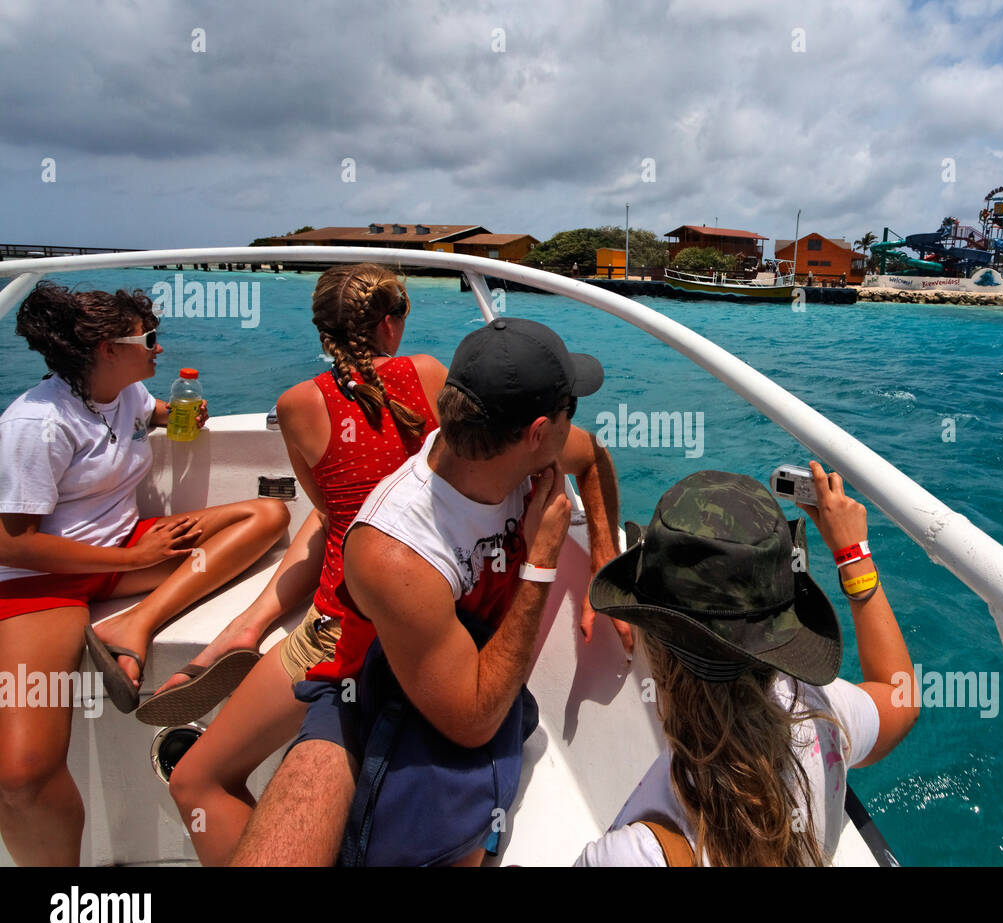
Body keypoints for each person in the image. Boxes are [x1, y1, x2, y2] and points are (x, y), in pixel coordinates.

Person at [230, 316, 629, 866]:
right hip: (356, 685)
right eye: (571, 412)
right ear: (539, 431)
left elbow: (594, 457)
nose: (576, 428)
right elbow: (472, 721)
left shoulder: (511, 449)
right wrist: (540, 562)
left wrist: (604, 560)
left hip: (457, 666)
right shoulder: (394, 547)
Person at [154, 264, 447, 864]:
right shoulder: (429, 374)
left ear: (323, 329)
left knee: (195, 781)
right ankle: (250, 629)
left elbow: (330, 510)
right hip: (437, 604)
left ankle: (247, 628)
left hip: (341, 629)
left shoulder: (295, 405)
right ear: (391, 324)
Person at [0, 281, 289, 866]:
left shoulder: (127, 394)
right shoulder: (36, 424)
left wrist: (180, 411)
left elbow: (152, 415)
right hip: (43, 584)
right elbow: (15, 543)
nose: (159, 349)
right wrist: (132, 560)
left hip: (126, 555)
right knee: (22, 774)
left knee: (268, 513)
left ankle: (133, 626)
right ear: (106, 349)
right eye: (148, 339)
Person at [575, 464, 919, 866]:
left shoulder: (634, 856)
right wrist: (853, 554)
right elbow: (901, 698)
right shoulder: (820, 709)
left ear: (656, 642)